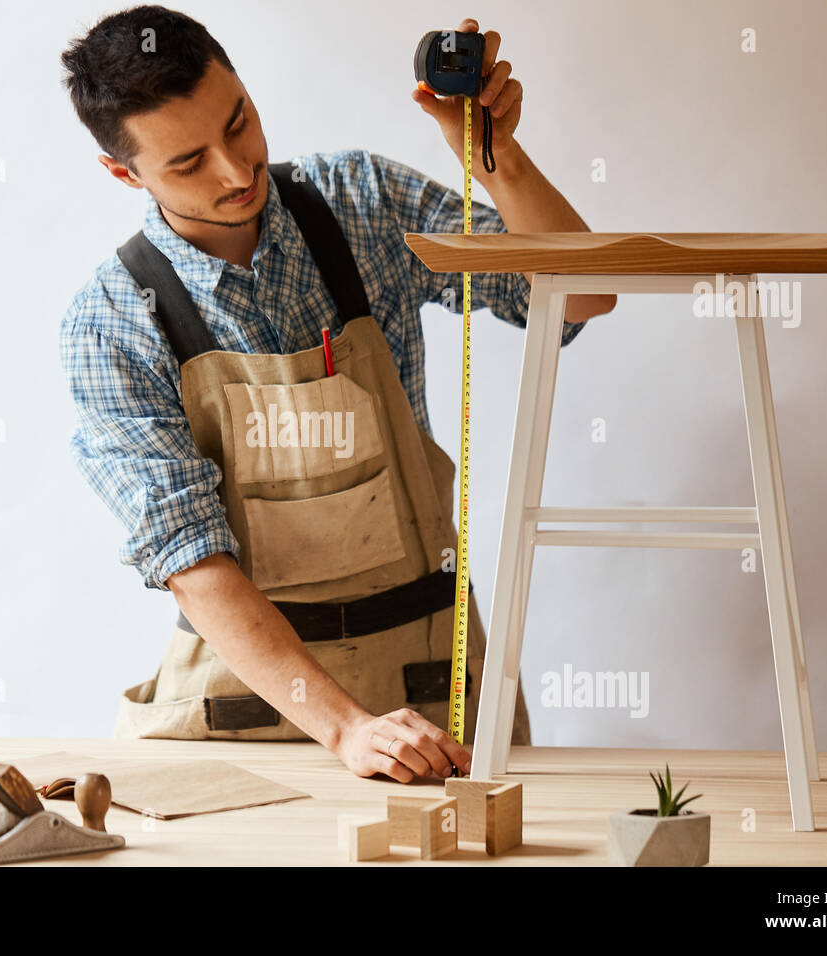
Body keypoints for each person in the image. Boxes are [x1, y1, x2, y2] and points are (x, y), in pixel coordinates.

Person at [57, 6, 616, 783]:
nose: (235, 169)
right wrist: (346, 728)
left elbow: (582, 297)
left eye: (240, 121)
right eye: (188, 163)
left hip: (430, 689)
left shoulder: (361, 200)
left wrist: (498, 161)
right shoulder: (112, 323)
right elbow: (194, 562)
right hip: (235, 715)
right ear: (126, 174)